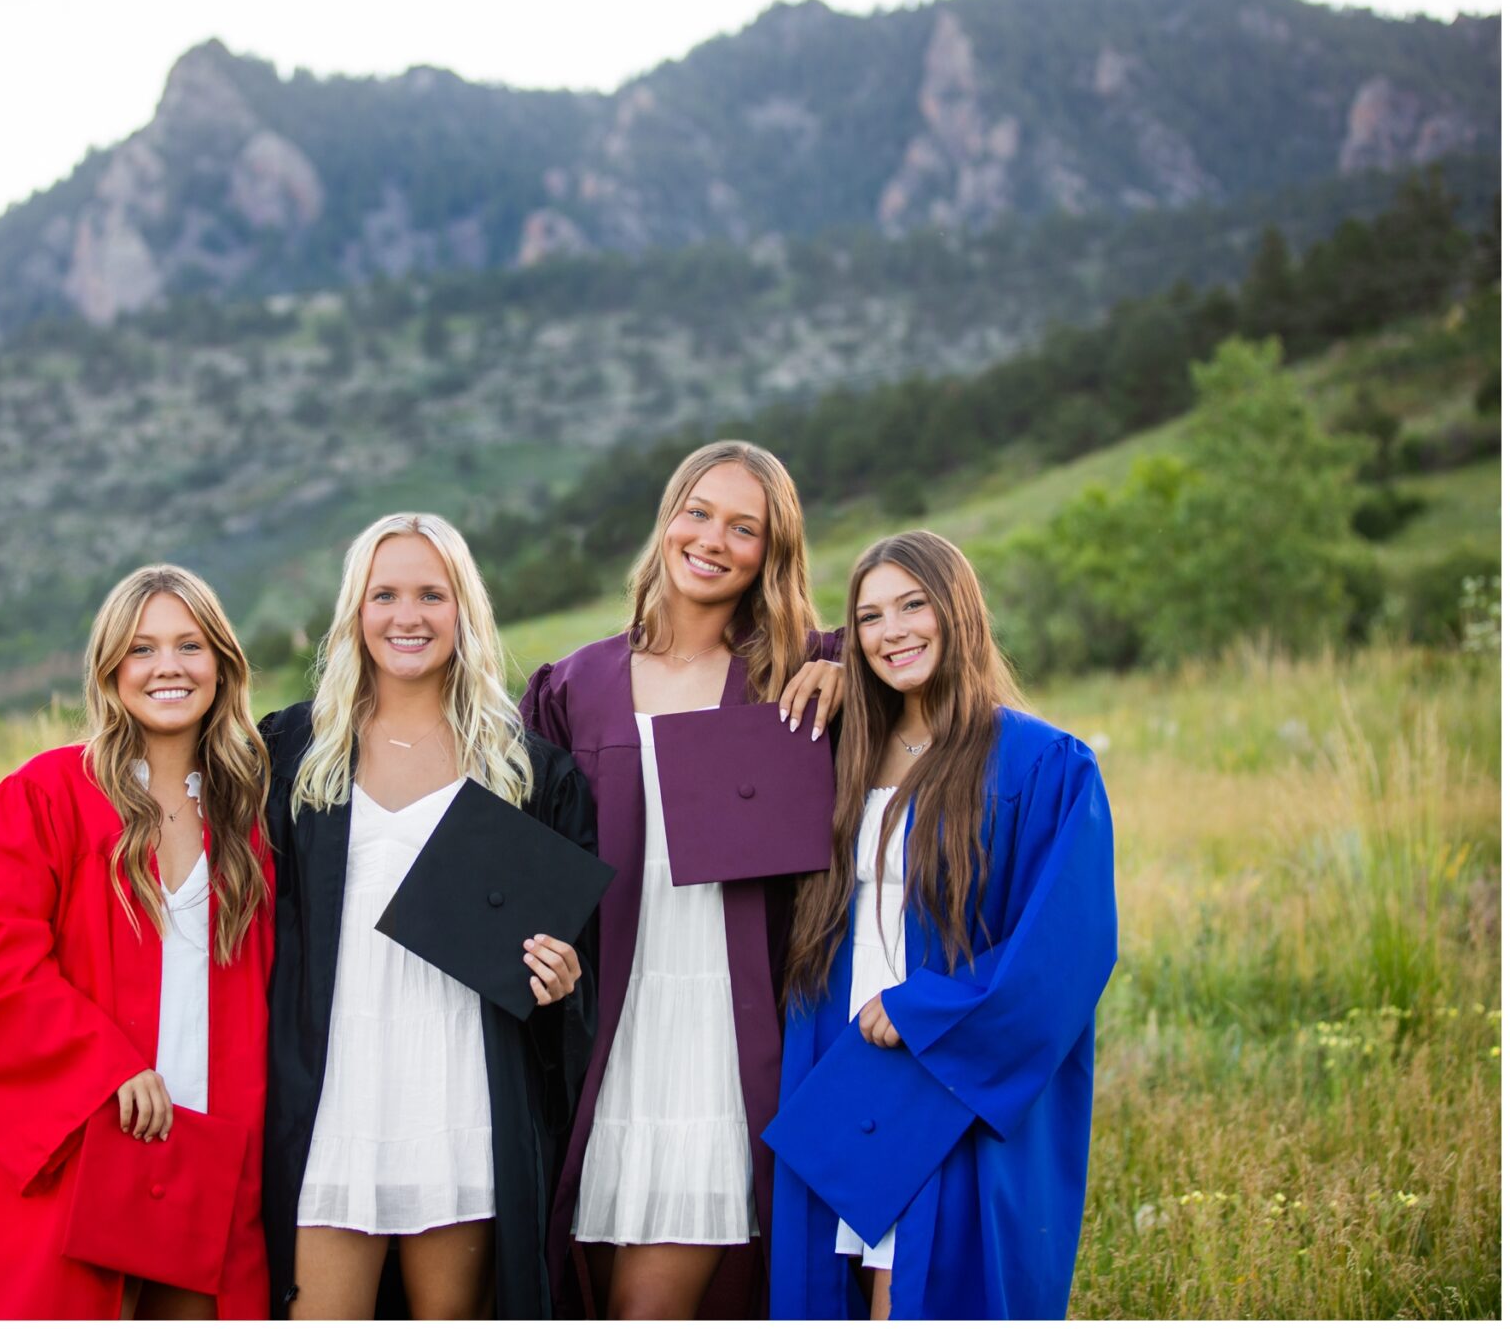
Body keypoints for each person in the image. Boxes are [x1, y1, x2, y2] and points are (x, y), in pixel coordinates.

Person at [519, 440, 845, 1319]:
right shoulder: (574, 686)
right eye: (698, 511)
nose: (713, 538)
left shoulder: (794, 675)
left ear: (770, 556)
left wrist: (845, 668)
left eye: (746, 527)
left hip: (720, 1031)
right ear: (668, 517)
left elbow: (931, 672)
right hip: (609, 1026)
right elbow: (521, 849)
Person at [766, 530, 1117, 1320]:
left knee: (918, 1286)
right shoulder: (838, 752)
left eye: (913, 605)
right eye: (870, 617)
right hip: (835, 1057)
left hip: (941, 1070)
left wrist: (927, 1011)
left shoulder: (1042, 765)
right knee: (837, 1287)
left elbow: (1067, 952)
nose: (894, 631)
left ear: (957, 609)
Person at [260, 512, 600, 1320]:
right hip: (332, 1101)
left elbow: (569, 962)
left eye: (430, 594)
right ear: (355, 610)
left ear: (464, 610)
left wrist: (562, 975)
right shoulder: (295, 750)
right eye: (384, 594)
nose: (407, 616)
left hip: (459, 1101)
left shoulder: (524, 770)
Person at [0, 565, 274, 1320]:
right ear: (111, 671)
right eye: (142, 649)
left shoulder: (249, 819)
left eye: (189, 644)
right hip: (88, 1146)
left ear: (222, 663)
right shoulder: (45, 796)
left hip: (212, 1156)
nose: (168, 666)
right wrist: (105, 1067)